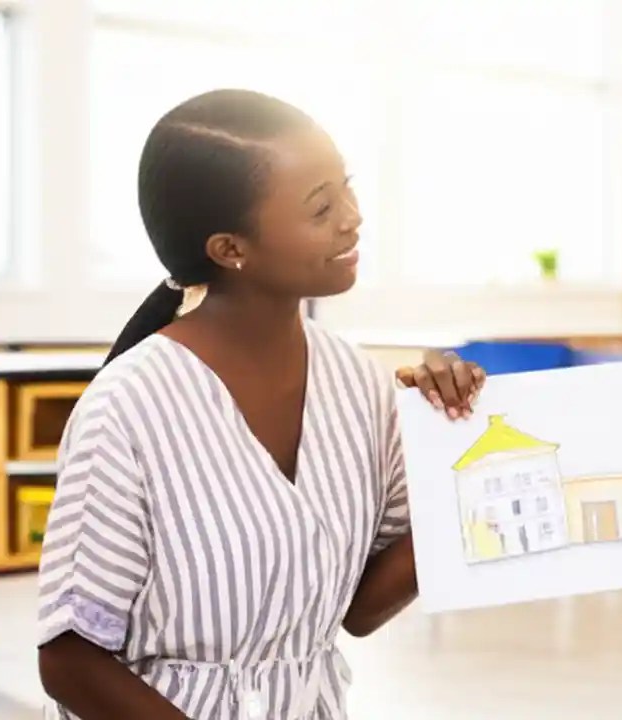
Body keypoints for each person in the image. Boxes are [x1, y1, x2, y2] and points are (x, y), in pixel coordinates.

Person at [35, 88, 483, 720]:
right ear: (229, 249)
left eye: (347, 188)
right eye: (321, 206)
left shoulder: (360, 384)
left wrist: (459, 458)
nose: (353, 217)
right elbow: (69, 660)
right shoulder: (128, 408)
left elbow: (358, 610)